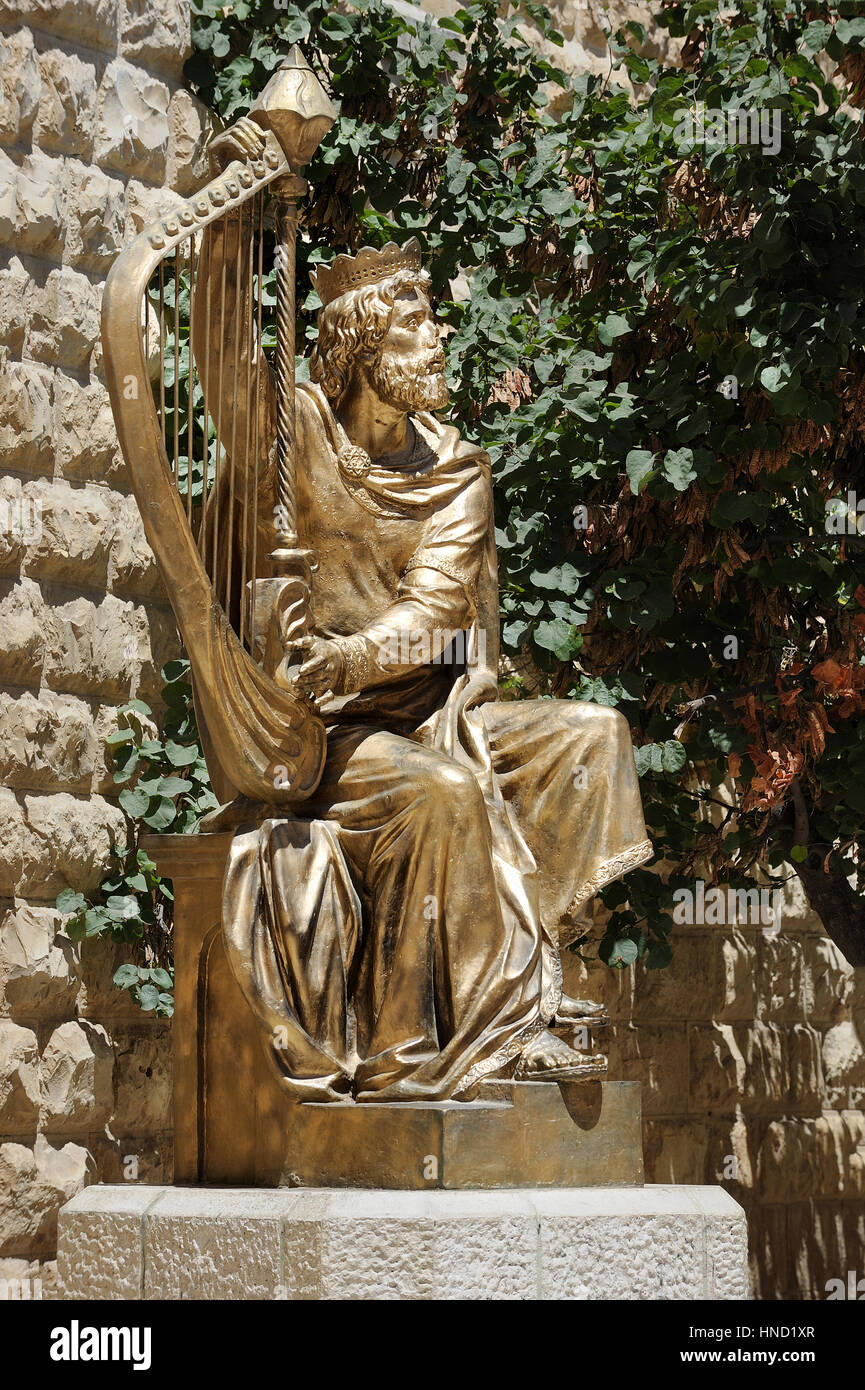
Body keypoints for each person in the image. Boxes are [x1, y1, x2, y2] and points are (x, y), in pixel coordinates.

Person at [193, 117, 653, 1103]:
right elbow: (224, 358)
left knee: (590, 737)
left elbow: (438, 613)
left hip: (426, 707)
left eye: (434, 322)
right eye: (416, 327)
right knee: (440, 793)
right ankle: (479, 1035)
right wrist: (226, 222)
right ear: (360, 347)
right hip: (324, 739)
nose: (439, 342)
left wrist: (349, 654)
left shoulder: (455, 470)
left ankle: (522, 990)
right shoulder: (297, 432)